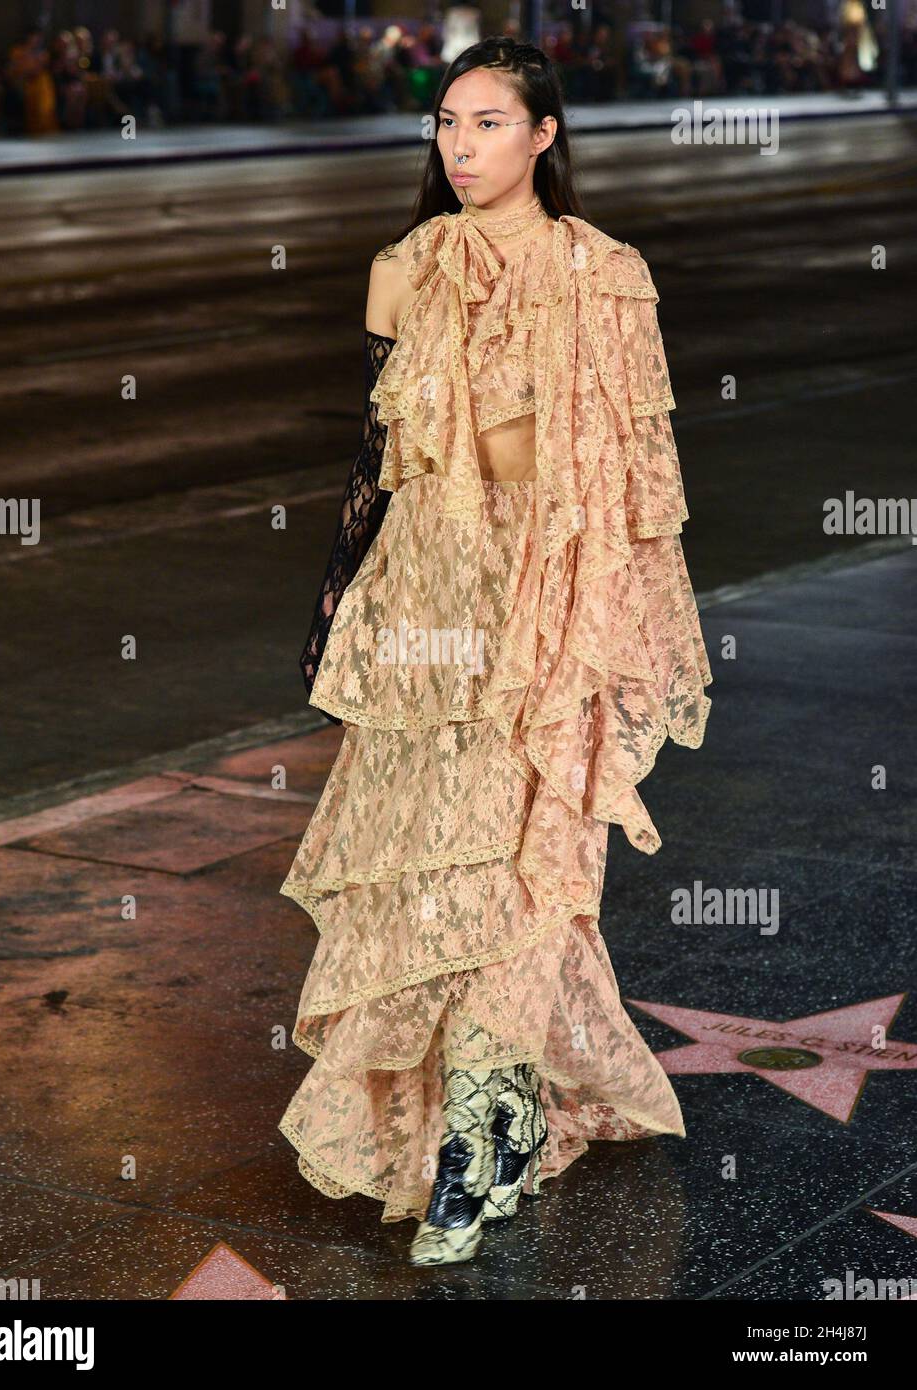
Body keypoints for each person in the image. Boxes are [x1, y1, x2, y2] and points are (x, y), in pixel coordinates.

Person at [279, 36, 713, 1267]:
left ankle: (479, 1135)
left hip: (553, 592)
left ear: (543, 136)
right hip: (428, 594)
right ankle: (491, 1111)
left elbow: (638, 478)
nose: (459, 146)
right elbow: (375, 462)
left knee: (529, 859)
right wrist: (336, 604)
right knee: (435, 863)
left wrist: (625, 624)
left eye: (485, 123)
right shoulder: (402, 272)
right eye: (445, 125)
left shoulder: (604, 275)